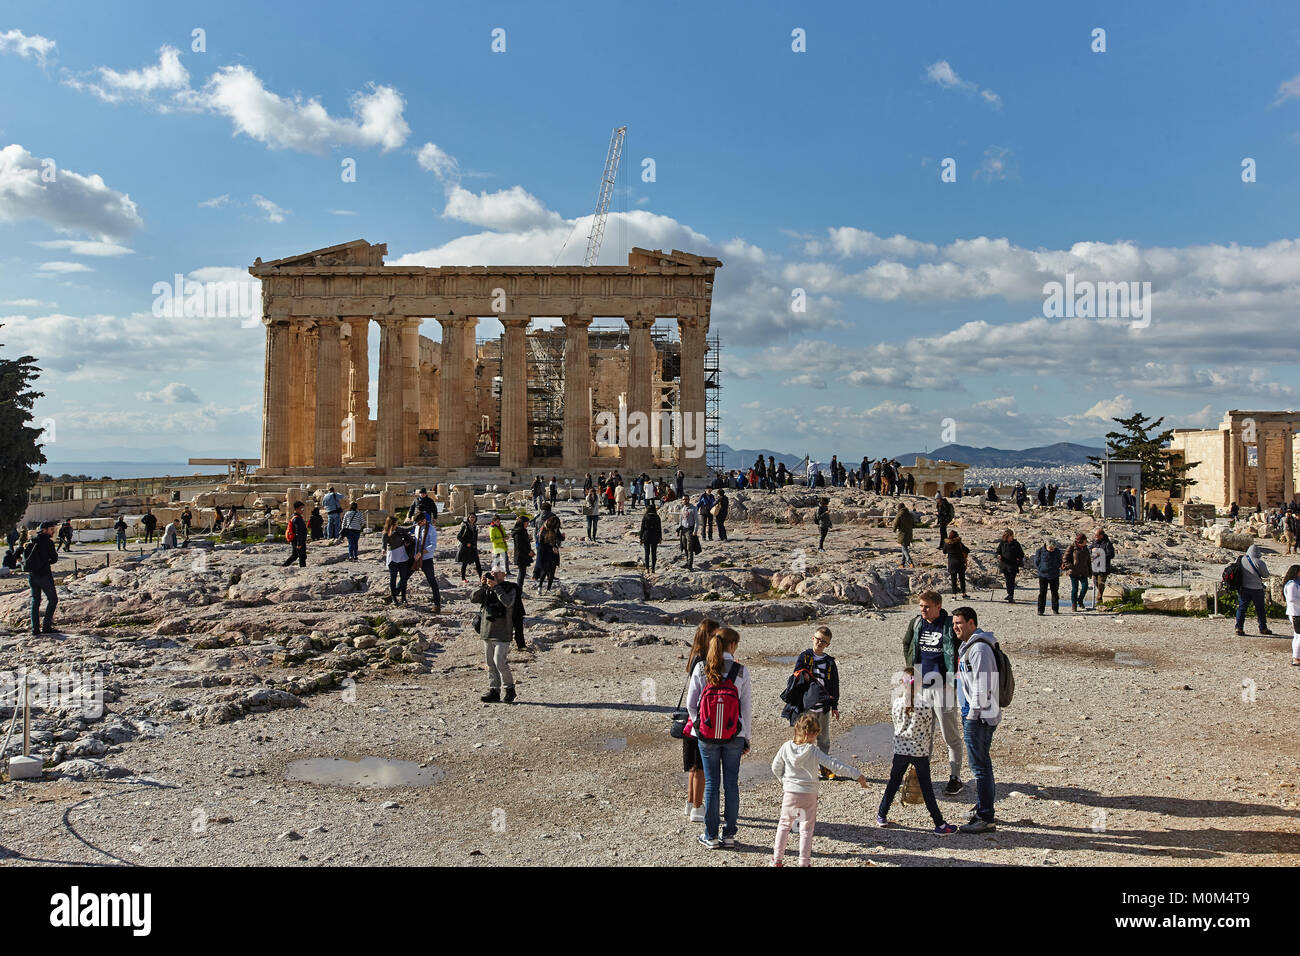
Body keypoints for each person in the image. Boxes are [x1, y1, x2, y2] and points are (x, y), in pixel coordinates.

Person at [770, 712, 869, 866]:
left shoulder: (786, 747)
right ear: (814, 734)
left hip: (790, 793)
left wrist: (784, 781)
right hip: (809, 794)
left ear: (797, 729)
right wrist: (857, 775)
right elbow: (834, 765)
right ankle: (804, 862)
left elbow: (775, 767)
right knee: (806, 830)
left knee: (784, 826)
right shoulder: (814, 751)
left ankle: (777, 860)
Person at [686, 626, 751, 849]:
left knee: (712, 784)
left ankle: (711, 835)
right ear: (731, 645)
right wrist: (745, 737)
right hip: (735, 734)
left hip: (707, 735)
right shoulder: (741, 671)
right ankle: (730, 834)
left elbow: (691, 704)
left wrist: (698, 726)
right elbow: (746, 709)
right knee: (731, 784)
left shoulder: (701, 668)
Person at [875, 668, 959, 834]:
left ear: (902, 683)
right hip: (919, 751)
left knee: (893, 783)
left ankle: (881, 815)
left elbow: (895, 723)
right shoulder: (925, 705)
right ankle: (939, 824)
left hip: (900, 748)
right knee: (926, 788)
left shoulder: (897, 703)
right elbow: (929, 728)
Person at [902, 590, 965, 795]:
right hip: (922, 687)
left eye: (927, 606)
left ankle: (955, 777)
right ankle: (922, 776)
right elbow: (907, 643)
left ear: (938, 606)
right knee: (923, 734)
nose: (923, 610)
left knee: (950, 735)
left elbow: (963, 644)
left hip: (944, 688)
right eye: (921, 606)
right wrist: (911, 672)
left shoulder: (949, 624)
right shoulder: (917, 623)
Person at [953, 606, 1000, 832]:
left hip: (979, 717)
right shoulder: (969, 647)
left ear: (972, 623)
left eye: (959, 623)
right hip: (976, 714)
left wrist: (972, 715)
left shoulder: (979, 649)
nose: (955, 628)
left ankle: (985, 817)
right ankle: (983, 808)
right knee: (983, 764)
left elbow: (983, 685)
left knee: (979, 767)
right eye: (953, 624)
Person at [682, 619, 720, 824]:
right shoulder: (702, 661)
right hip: (700, 720)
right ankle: (698, 806)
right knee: (700, 767)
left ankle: (690, 802)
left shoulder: (694, 657)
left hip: (692, 721)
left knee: (693, 767)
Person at [791, 626, 841, 767]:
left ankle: (824, 767)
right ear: (813, 638)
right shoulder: (805, 656)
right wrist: (803, 674)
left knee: (823, 739)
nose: (820, 643)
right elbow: (796, 675)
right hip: (808, 707)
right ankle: (802, 766)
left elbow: (834, 684)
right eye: (818, 639)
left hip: (823, 707)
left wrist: (834, 706)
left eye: (823, 641)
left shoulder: (830, 662)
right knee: (805, 736)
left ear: (827, 645)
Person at [471, 568, 520, 703]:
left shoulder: (510, 588)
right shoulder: (487, 589)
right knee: (490, 664)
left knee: (500, 662)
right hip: (487, 631)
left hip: (502, 632)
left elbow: (508, 602)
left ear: (503, 574)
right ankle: (494, 690)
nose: (493, 574)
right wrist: (482, 586)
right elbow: (473, 598)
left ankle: (510, 689)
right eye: (491, 572)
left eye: (496, 572)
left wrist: (497, 587)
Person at [24, 521, 60, 635]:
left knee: (35, 602)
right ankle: (46, 626)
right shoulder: (48, 542)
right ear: (44, 530)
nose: (53, 531)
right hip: (44, 575)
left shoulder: (32, 540)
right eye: (51, 529)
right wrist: (46, 561)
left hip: (32, 575)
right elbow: (54, 559)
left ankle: (35, 629)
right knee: (53, 600)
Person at [1235, 544, 1273, 637]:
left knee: (1242, 609)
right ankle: (1263, 627)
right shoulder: (1259, 562)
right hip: (1257, 589)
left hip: (1244, 588)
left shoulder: (1241, 560)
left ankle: (1239, 628)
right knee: (1260, 610)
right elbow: (1266, 575)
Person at [411, 511, 442, 611]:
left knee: (431, 580)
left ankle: (437, 604)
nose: (417, 524)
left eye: (419, 522)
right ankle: (395, 595)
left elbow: (432, 545)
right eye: (416, 523)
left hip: (426, 558)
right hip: (416, 557)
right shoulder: (417, 527)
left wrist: (421, 553)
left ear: (424, 520)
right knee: (405, 576)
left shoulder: (431, 529)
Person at [382, 515, 414, 604]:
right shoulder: (386, 533)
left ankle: (404, 598)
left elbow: (407, 529)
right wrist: (383, 550)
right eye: (395, 524)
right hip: (392, 557)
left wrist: (416, 525)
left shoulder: (399, 530)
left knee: (403, 578)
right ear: (391, 524)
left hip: (402, 556)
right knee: (393, 578)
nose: (397, 525)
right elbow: (383, 544)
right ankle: (394, 598)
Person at [1032, 538, 1062, 614]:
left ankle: (1055, 609)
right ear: (1046, 545)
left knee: (1055, 593)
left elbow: (1060, 561)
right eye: (1050, 548)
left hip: (1054, 575)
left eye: (1053, 549)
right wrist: (1041, 568)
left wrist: (1056, 567)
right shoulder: (1040, 551)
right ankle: (1040, 610)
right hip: (1043, 575)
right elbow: (1036, 562)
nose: (1052, 550)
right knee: (1042, 593)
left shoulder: (1057, 552)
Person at [994, 528, 1024, 603]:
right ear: (1007, 536)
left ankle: (1011, 595)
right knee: (1007, 580)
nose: (1012, 537)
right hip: (1004, 564)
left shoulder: (1016, 543)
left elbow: (1021, 554)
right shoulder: (1002, 543)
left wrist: (1018, 558)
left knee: (1011, 580)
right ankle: (1009, 594)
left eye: (1012, 536)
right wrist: (998, 556)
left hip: (1013, 565)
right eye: (1011, 536)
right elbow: (998, 552)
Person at [536, 508, 563, 591]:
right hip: (545, 552)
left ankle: (548, 589)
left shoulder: (555, 529)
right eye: (556, 526)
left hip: (554, 552)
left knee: (552, 571)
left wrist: (562, 537)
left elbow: (559, 537)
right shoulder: (544, 530)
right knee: (545, 570)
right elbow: (542, 543)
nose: (557, 528)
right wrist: (552, 548)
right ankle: (540, 587)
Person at [1064, 532, 1092, 611]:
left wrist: (1090, 572)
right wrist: (1071, 567)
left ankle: (1080, 600)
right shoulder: (1072, 548)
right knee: (1075, 589)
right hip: (1074, 572)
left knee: (1085, 587)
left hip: (1083, 571)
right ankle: (1074, 604)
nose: (1086, 542)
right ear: (1081, 541)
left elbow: (1088, 561)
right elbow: (1065, 559)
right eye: (1085, 540)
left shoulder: (1086, 549)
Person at [1090, 528, 1115, 606]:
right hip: (1095, 566)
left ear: (1101, 535)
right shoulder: (1095, 542)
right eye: (1095, 535)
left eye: (1096, 535)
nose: (1095, 537)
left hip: (1103, 567)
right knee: (1096, 583)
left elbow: (1111, 555)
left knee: (1101, 584)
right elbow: (1089, 549)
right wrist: (1092, 551)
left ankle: (1099, 601)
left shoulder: (1108, 544)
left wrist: (1101, 554)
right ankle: (1103, 598)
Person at [942, 530, 970, 598]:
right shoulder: (959, 543)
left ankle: (954, 595)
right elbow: (967, 550)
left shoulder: (947, 543)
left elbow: (944, 552)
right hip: (960, 563)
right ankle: (964, 594)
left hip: (952, 564)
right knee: (962, 579)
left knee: (953, 580)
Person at [456, 513, 482, 583]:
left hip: (473, 548)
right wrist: (466, 543)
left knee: (478, 563)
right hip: (466, 548)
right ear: (468, 518)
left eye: (474, 517)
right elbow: (459, 537)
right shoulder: (465, 526)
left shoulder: (475, 527)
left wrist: (475, 546)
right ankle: (463, 578)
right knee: (464, 563)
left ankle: (481, 578)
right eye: (471, 517)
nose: (472, 518)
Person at [1283, 565, 1300, 667]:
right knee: (1299, 636)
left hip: (1297, 612)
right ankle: (1296, 658)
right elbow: (1291, 599)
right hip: (1295, 613)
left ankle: (1296, 656)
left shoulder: (1295, 584)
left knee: (1297, 635)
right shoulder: (1292, 585)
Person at [282, 502, 308, 568]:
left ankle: (284, 565)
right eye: (301, 508)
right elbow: (298, 531)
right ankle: (302, 568)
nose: (303, 510)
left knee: (296, 555)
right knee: (301, 556)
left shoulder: (296, 517)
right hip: (297, 540)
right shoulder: (296, 519)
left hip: (297, 539)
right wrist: (299, 543)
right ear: (296, 509)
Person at [511, 514, 533, 590]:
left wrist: (528, 539)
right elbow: (519, 545)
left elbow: (524, 542)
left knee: (523, 573)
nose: (527, 525)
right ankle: (519, 590)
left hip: (524, 554)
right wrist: (528, 552)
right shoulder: (518, 532)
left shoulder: (523, 531)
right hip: (521, 555)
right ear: (522, 523)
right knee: (521, 573)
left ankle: (519, 589)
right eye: (526, 523)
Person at [639, 501, 662, 572]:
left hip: (646, 536)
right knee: (654, 553)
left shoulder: (645, 517)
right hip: (655, 536)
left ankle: (647, 568)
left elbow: (642, 528)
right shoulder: (657, 517)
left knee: (647, 553)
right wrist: (660, 537)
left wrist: (640, 538)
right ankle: (653, 568)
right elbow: (659, 528)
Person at [679, 495, 698, 571]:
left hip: (690, 529)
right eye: (683, 499)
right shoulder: (682, 508)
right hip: (683, 530)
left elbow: (696, 521)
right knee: (684, 546)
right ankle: (687, 562)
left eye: (686, 499)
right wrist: (679, 529)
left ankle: (690, 564)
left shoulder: (693, 509)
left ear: (689, 500)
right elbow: (681, 520)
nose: (684, 500)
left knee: (689, 547)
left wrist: (695, 531)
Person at [893, 503, 916, 568]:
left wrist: (894, 529)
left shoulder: (899, 514)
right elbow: (914, 524)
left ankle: (910, 562)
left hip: (902, 533)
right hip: (909, 533)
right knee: (904, 547)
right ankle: (902, 564)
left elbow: (895, 522)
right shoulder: (910, 514)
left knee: (904, 548)